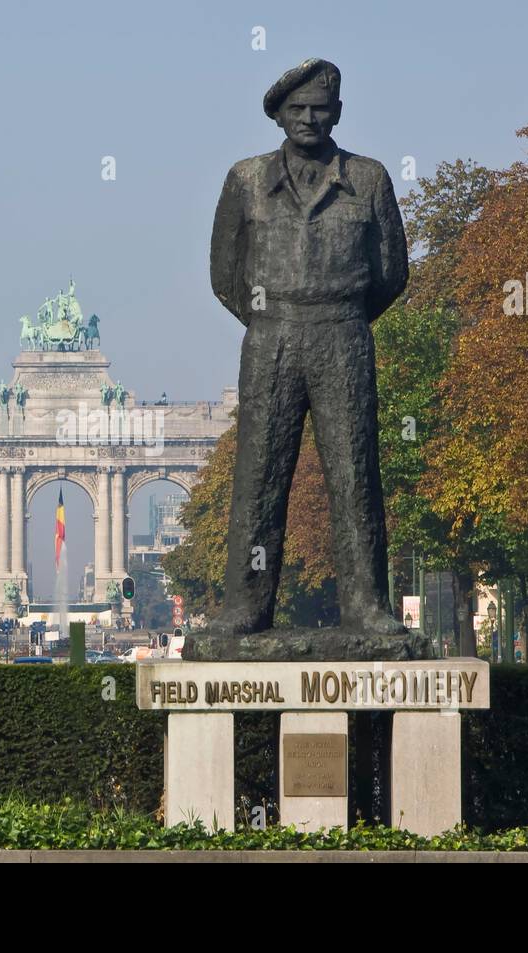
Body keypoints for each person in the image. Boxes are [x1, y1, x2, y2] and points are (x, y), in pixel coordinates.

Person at [207, 59, 407, 637]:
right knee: (259, 476)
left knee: (354, 473)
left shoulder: (369, 179)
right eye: (298, 109)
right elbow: (226, 275)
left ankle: (367, 606)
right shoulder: (245, 180)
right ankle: (244, 607)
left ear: (338, 113)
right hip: (271, 336)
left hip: (343, 334)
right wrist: (274, 316)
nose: (310, 118)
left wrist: (340, 314)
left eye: (321, 108)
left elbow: (392, 270)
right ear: (279, 116)